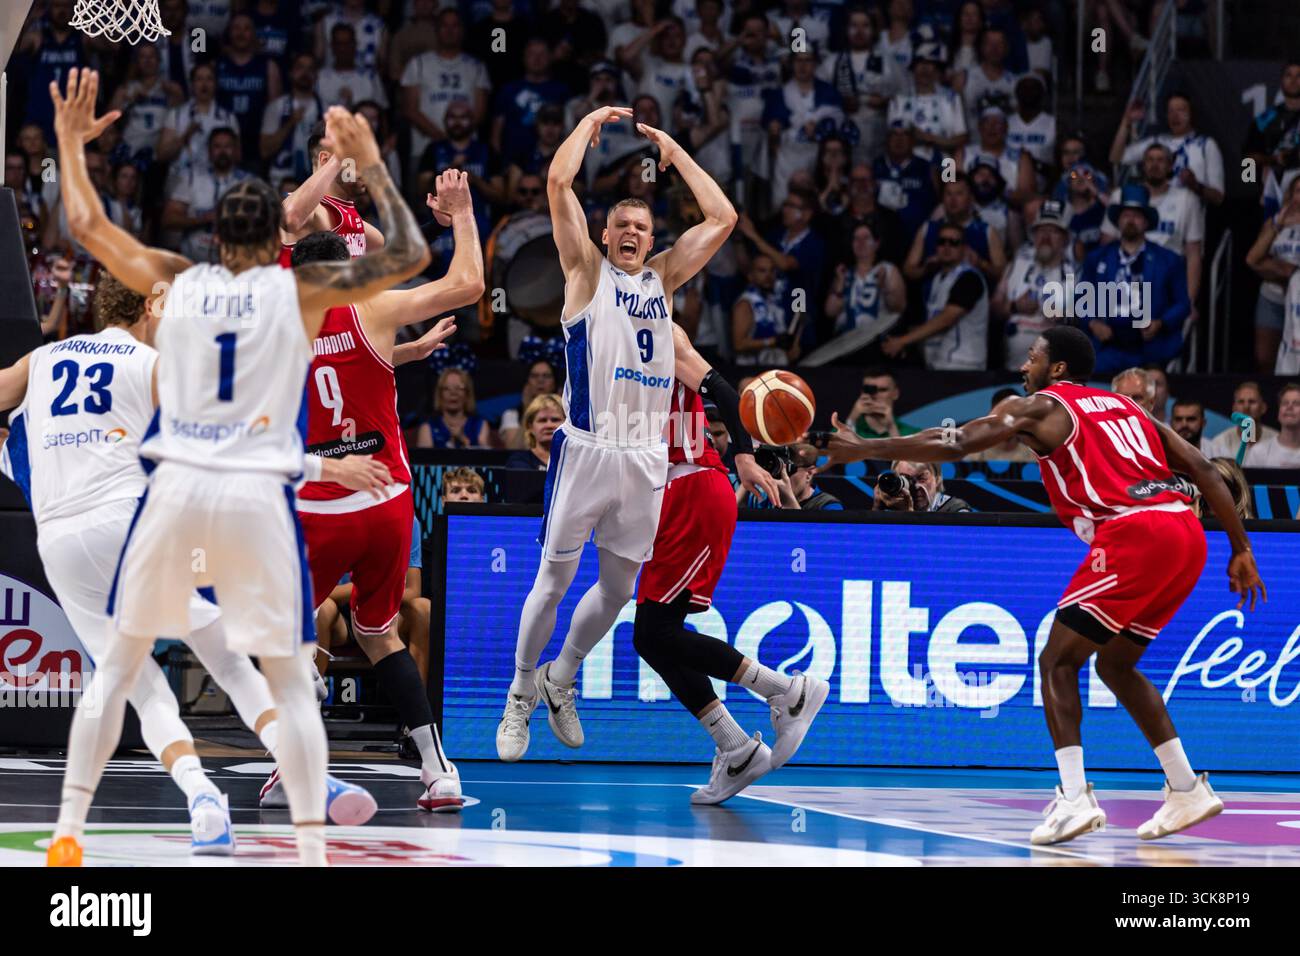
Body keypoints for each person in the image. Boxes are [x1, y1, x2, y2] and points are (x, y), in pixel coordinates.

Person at [41, 75, 430, 867]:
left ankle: (67, 833)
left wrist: (70, 147)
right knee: (283, 674)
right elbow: (414, 254)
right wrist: (369, 165)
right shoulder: (304, 296)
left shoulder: (178, 283)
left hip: (179, 495)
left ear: (217, 241)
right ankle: (313, 836)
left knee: (117, 668)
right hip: (257, 497)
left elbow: (82, 222)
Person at [823, 324, 1266, 846]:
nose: (1022, 366)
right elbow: (1203, 470)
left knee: (1056, 661)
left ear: (1056, 369)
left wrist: (868, 448)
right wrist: (1241, 548)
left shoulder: (1041, 406)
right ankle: (1186, 787)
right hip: (1187, 535)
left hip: (1135, 530)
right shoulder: (1129, 409)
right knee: (1116, 664)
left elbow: (958, 440)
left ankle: (1074, 798)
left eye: (1031, 358)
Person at [0, 272, 388, 857]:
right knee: (228, 663)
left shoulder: (40, 360)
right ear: (150, 312)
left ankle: (203, 798)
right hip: (128, 522)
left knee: (139, 687)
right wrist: (331, 468)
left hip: (58, 542)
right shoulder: (147, 364)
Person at [495, 105, 738, 763]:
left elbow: (723, 219)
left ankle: (561, 677)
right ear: (604, 236)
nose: (632, 233)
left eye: (642, 226)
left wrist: (675, 152)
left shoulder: (663, 279)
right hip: (587, 449)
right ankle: (519, 695)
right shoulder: (585, 273)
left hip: (645, 458)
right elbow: (556, 183)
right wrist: (587, 125)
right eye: (622, 226)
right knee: (552, 582)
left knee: (619, 591)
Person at [277, 175, 482, 814]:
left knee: (279, 637)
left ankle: (298, 765)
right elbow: (470, 285)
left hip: (317, 503)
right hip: (389, 500)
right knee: (379, 634)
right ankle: (438, 770)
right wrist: (465, 216)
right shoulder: (376, 308)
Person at [636, 320, 827, 804]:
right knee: (653, 636)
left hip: (693, 485)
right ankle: (736, 746)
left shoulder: (658, 327)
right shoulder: (602, 330)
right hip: (665, 494)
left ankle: (786, 690)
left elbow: (723, 388)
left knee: (656, 632)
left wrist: (743, 455)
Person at [1079, 184, 1190, 375]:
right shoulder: (1097, 258)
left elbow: (1182, 304)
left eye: (1137, 216)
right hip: (1108, 348)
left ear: (1146, 222)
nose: (1131, 221)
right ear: (1118, 221)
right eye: (1126, 215)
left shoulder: (1168, 260)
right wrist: (1092, 323)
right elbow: (1080, 300)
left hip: (1150, 349)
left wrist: (1160, 323)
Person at [280, 119, 386, 265]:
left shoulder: (358, 226)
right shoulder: (312, 212)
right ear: (325, 160)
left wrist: (430, 225)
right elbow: (291, 218)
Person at [889, 221, 990, 370]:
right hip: (940, 362)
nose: (946, 247)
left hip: (964, 364)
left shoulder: (969, 278)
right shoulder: (937, 278)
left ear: (964, 248)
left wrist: (903, 341)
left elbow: (946, 319)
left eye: (954, 242)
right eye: (942, 242)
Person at [1202, 381, 1278, 464]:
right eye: (1241, 402)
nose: (1246, 407)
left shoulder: (1276, 440)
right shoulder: (1220, 443)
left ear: (1263, 408)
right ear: (1234, 408)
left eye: (1252, 401)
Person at [416, 367, 492, 448]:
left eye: (459, 388)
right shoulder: (427, 428)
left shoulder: (481, 425)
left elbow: (486, 458)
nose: (453, 393)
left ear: (467, 394)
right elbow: (425, 460)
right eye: (447, 388)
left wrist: (463, 441)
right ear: (440, 394)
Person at [499, 359, 559, 449]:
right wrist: (527, 409)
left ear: (554, 383)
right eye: (534, 376)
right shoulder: (511, 414)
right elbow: (513, 450)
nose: (540, 380)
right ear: (527, 382)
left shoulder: (564, 414)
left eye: (546, 376)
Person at [964, 388, 1036, 462]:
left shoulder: (1035, 459)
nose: (1008, 420)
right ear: (991, 415)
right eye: (1003, 414)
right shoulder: (973, 458)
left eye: (1013, 414)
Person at [873, 460, 974, 511]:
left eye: (921, 478)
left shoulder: (955, 509)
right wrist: (877, 509)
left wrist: (906, 515)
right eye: (905, 479)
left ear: (938, 478)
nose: (915, 486)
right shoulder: (892, 506)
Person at [506, 393, 565, 470]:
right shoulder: (518, 462)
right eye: (542, 420)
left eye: (555, 420)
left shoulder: (576, 460)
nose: (549, 425)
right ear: (530, 427)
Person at [1249, 383, 1300, 467]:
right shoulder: (1258, 452)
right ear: (1279, 413)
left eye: (1296, 403)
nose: (1289, 407)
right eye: (1284, 403)